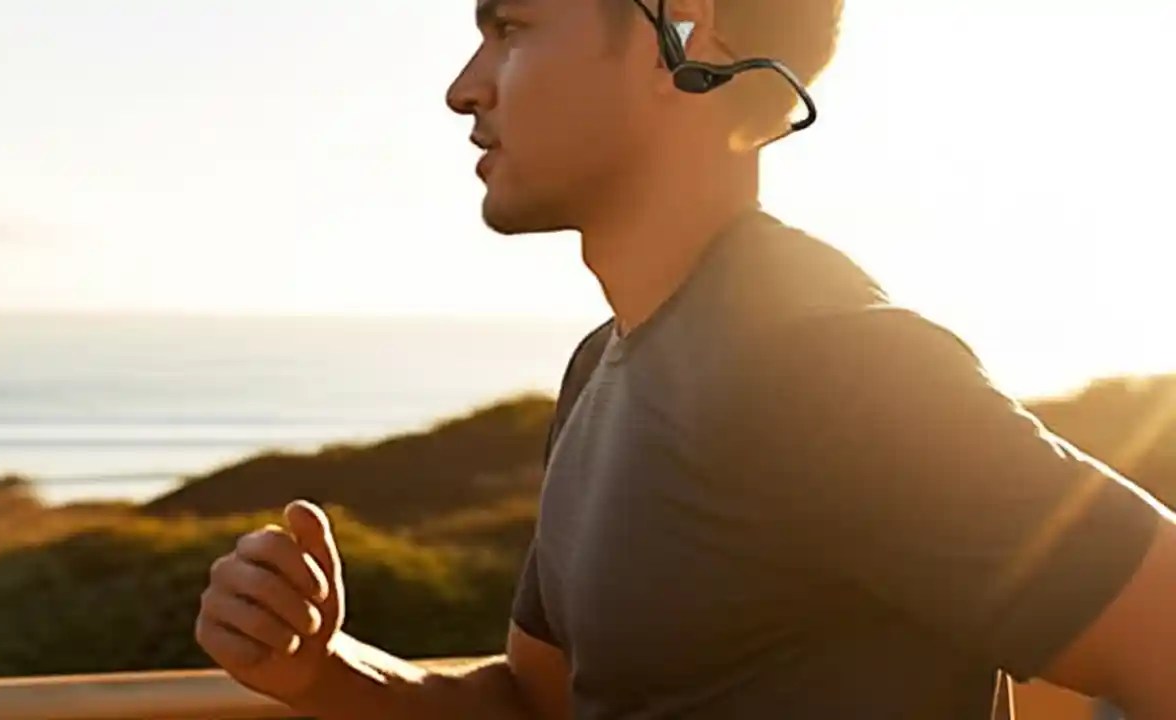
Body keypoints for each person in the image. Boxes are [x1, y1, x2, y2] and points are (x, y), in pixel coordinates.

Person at [195, 0, 1176, 717]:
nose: (464, 87)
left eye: (511, 29)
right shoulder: (603, 366)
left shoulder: (825, 367)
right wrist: (321, 669)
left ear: (680, 33)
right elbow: (539, 708)